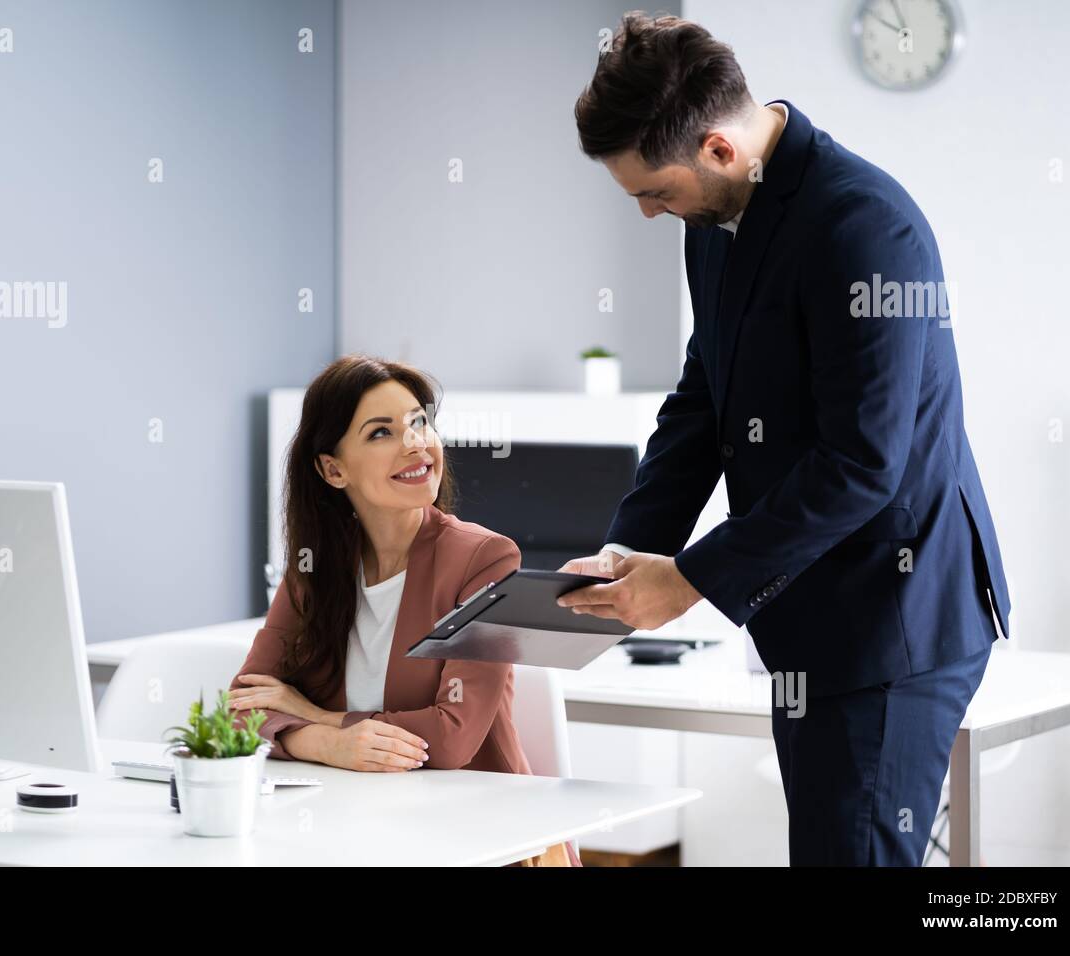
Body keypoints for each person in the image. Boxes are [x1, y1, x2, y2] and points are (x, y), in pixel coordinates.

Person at [558, 13, 1010, 866]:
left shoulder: (866, 225)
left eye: (656, 191)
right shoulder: (716, 224)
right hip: (808, 619)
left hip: (892, 620)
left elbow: (861, 464)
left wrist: (688, 579)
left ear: (720, 150)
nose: (654, 214)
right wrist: (633, 547)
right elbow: (704, 397)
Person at [229, 354, 580, 867]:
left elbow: (452, 738)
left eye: (420, 422)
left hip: (485, 838)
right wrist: (325, 745)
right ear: (332, 469)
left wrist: (315, 718)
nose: (415, 442)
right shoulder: (314, 568)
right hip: (355, 829)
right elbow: (239, 711)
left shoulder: (484, 558)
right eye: (381, 433)